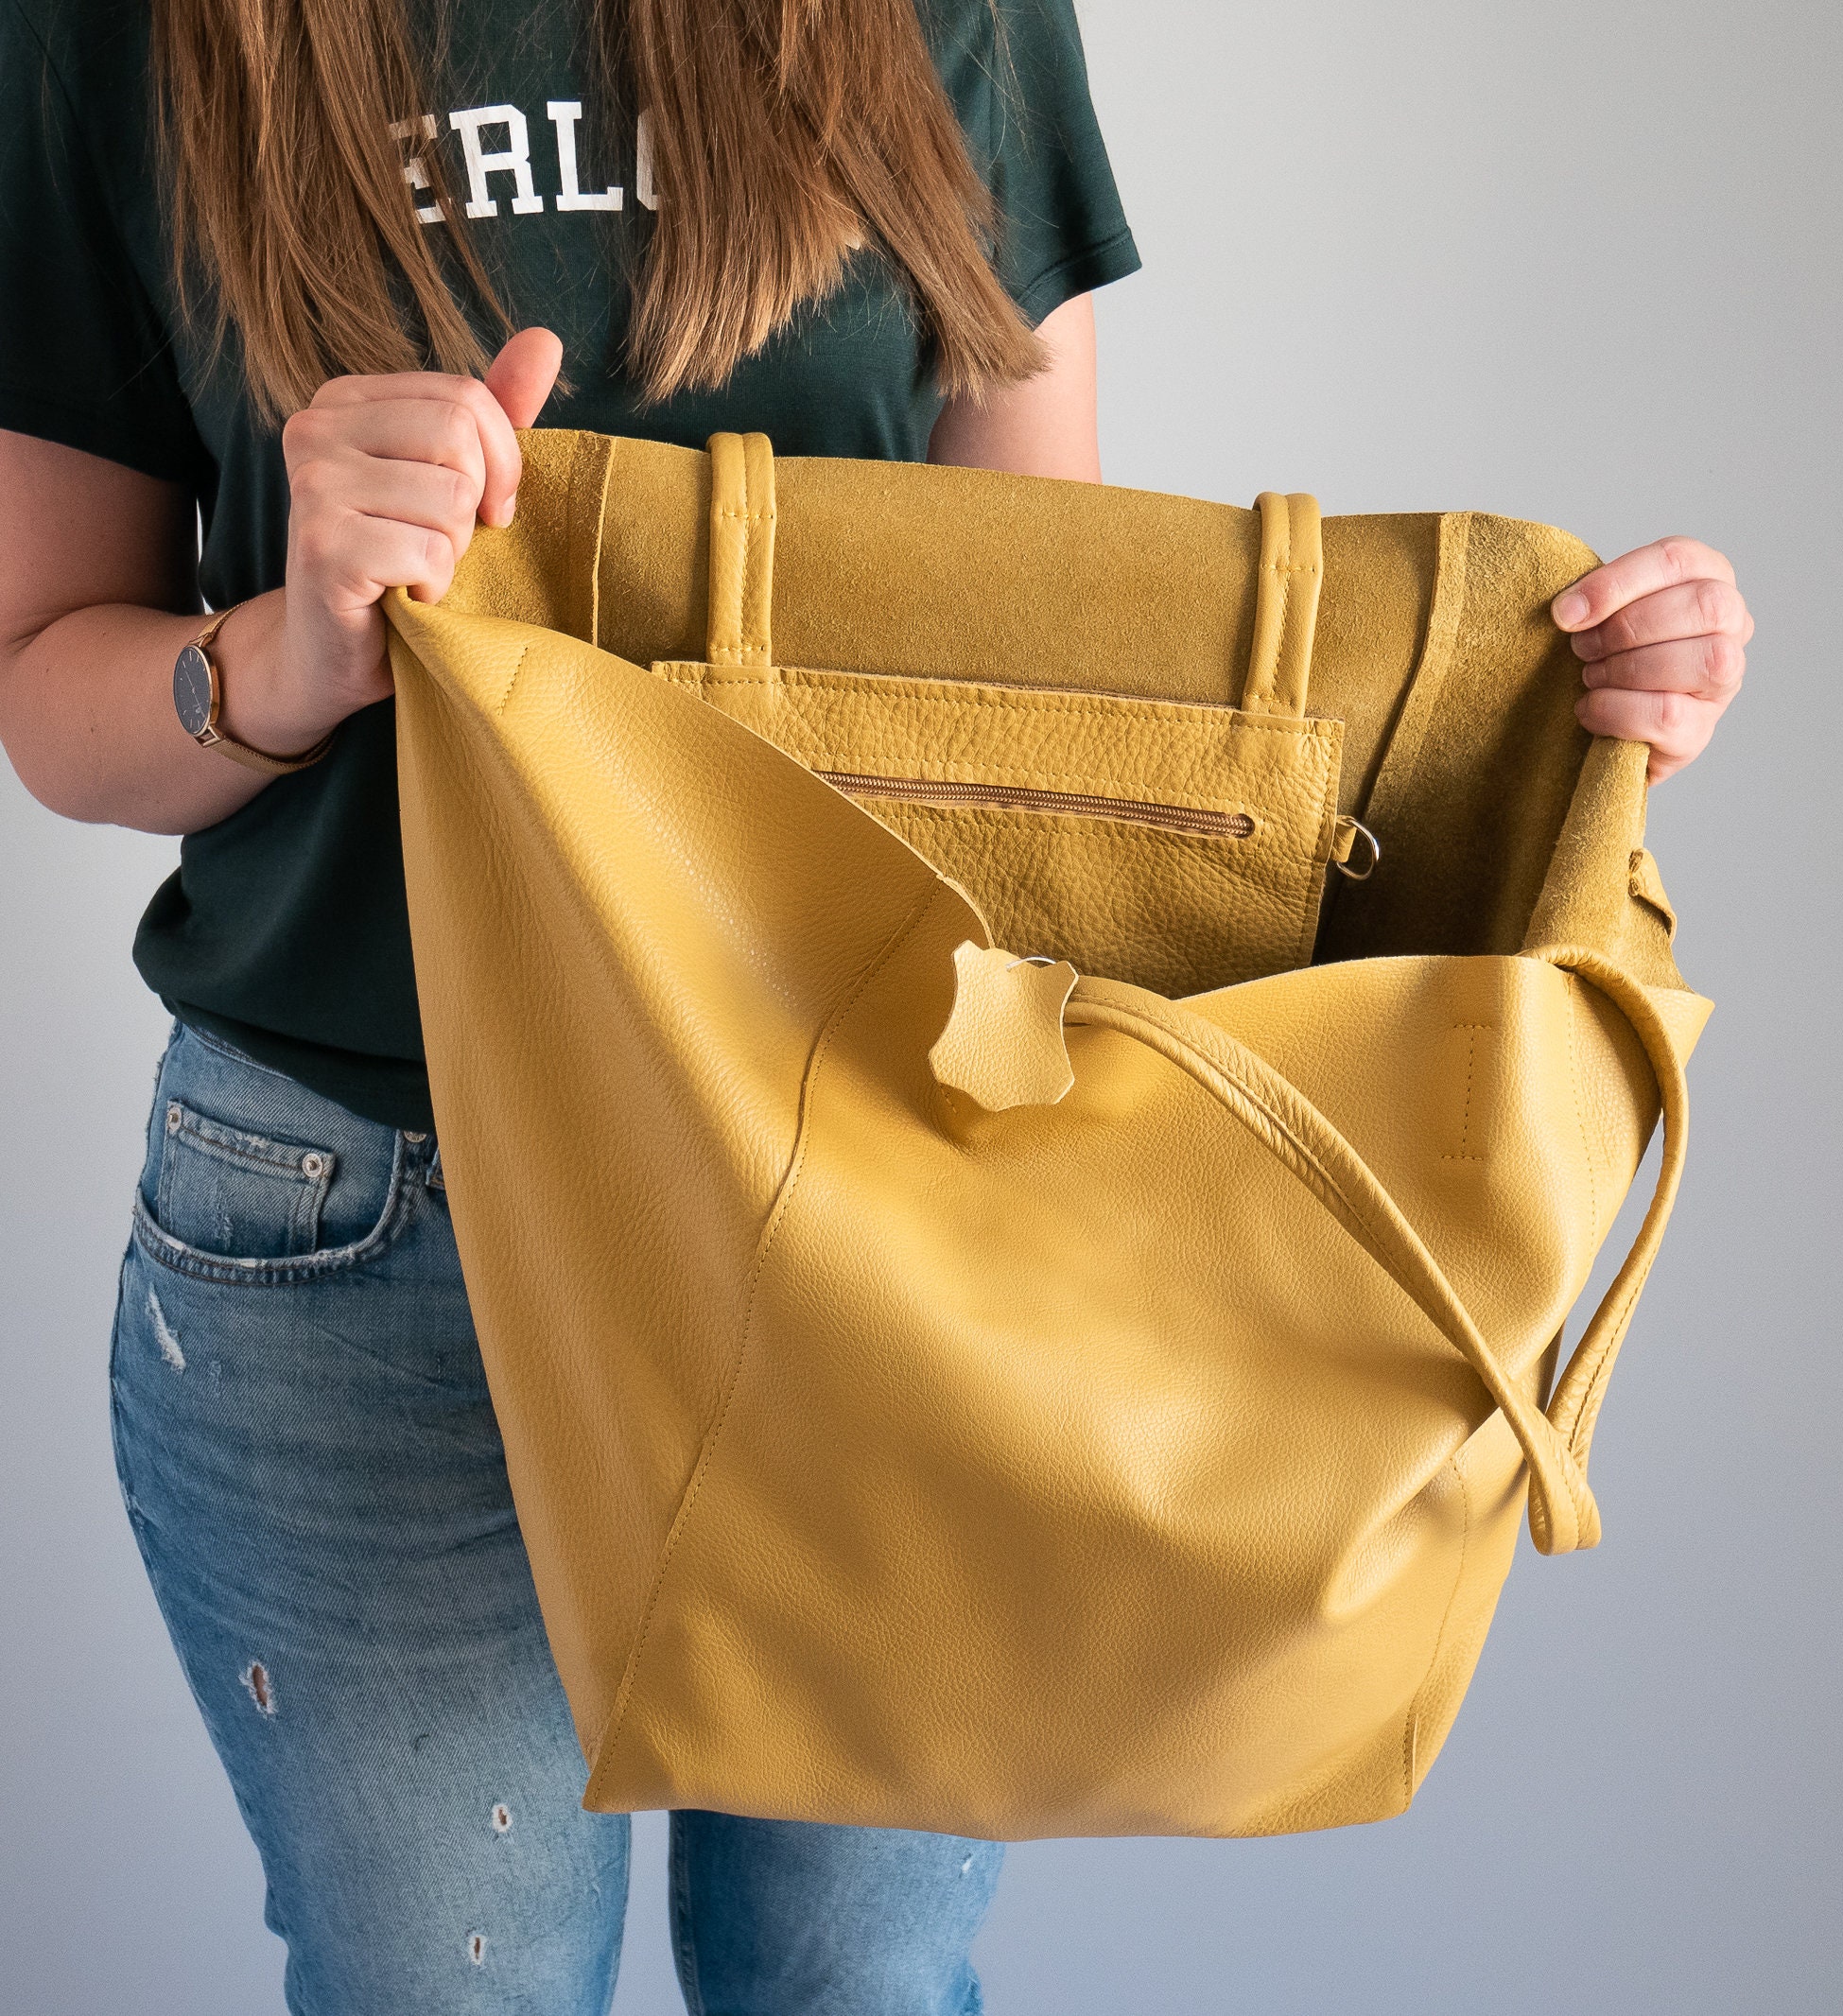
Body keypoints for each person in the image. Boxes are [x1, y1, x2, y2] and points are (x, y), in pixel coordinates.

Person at [0, 1, 1752, 2008]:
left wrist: (1544, 708)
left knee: (864, 1991)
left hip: (897, 1212)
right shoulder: (118, 32)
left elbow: (1058, 665)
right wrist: (285, 653)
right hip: (372, 1219)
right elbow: (47, 682)